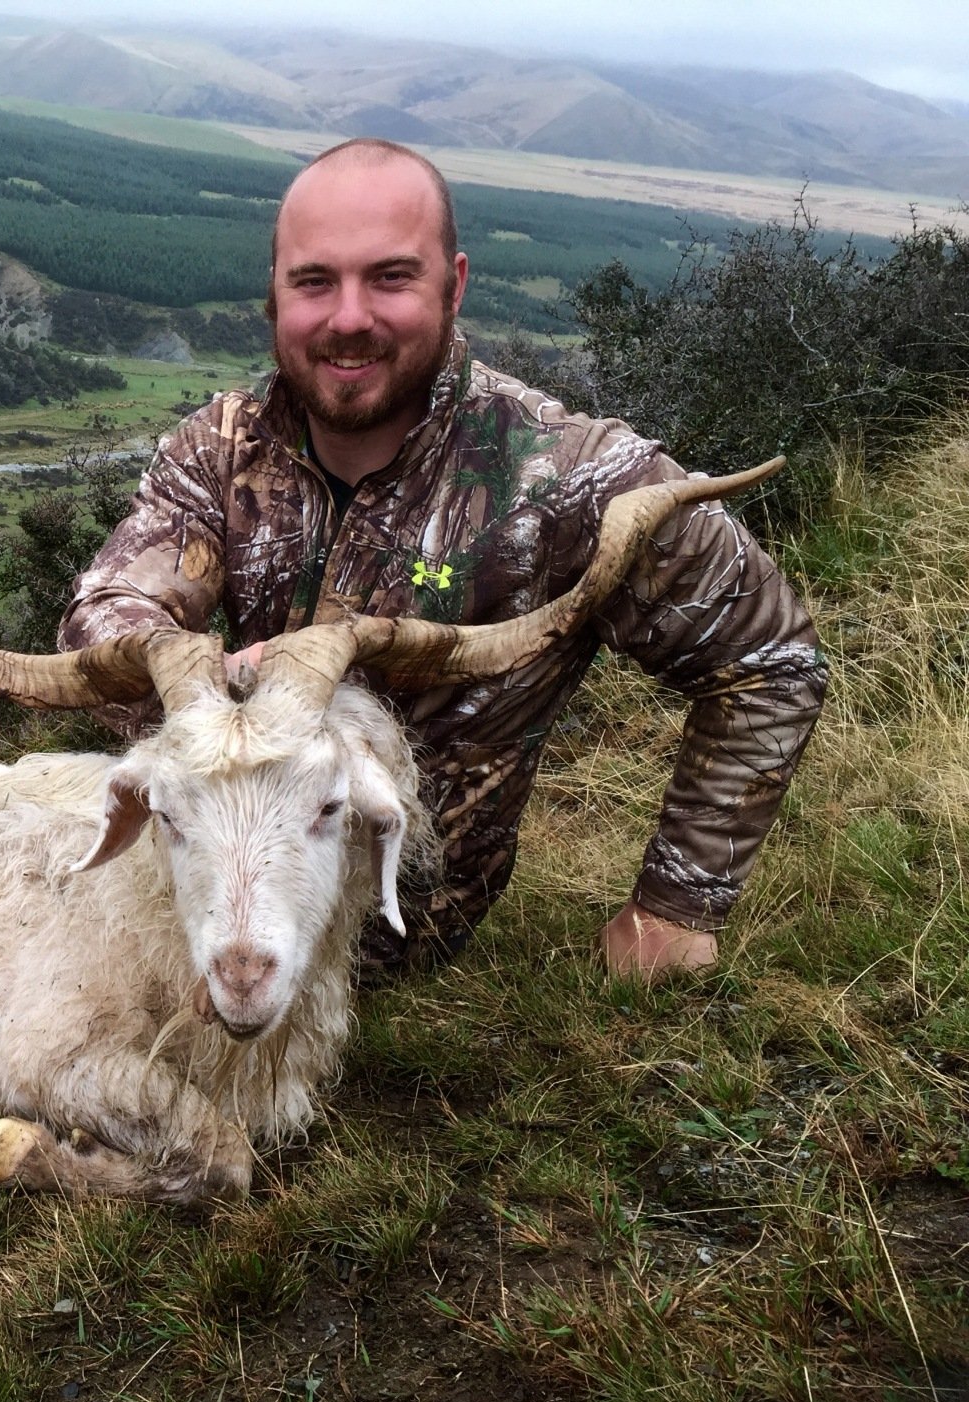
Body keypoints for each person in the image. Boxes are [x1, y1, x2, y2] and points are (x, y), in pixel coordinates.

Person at [59, 138, 827, 983]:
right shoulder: (219, 447)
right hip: (209, 920)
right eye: (313, 281)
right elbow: (104, 617)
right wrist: (210, 684)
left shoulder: (569, 477)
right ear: (274, 295)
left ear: (453, 284)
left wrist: (678, 904)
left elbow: (767, 660)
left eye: (390, 277)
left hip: (396, 954)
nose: (349, 317)